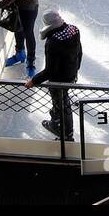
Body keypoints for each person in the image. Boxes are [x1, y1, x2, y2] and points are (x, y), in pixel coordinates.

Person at [26, 10, 83, 140]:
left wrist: (33, 81)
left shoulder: (53, 42)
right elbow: (79, 52)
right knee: (59, 102)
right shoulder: (74, 30)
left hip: (58, 80)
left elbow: (50, 70)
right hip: (71, 74)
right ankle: (56, 121)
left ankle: (67, 134)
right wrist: (75, 69)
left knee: (63, 105)